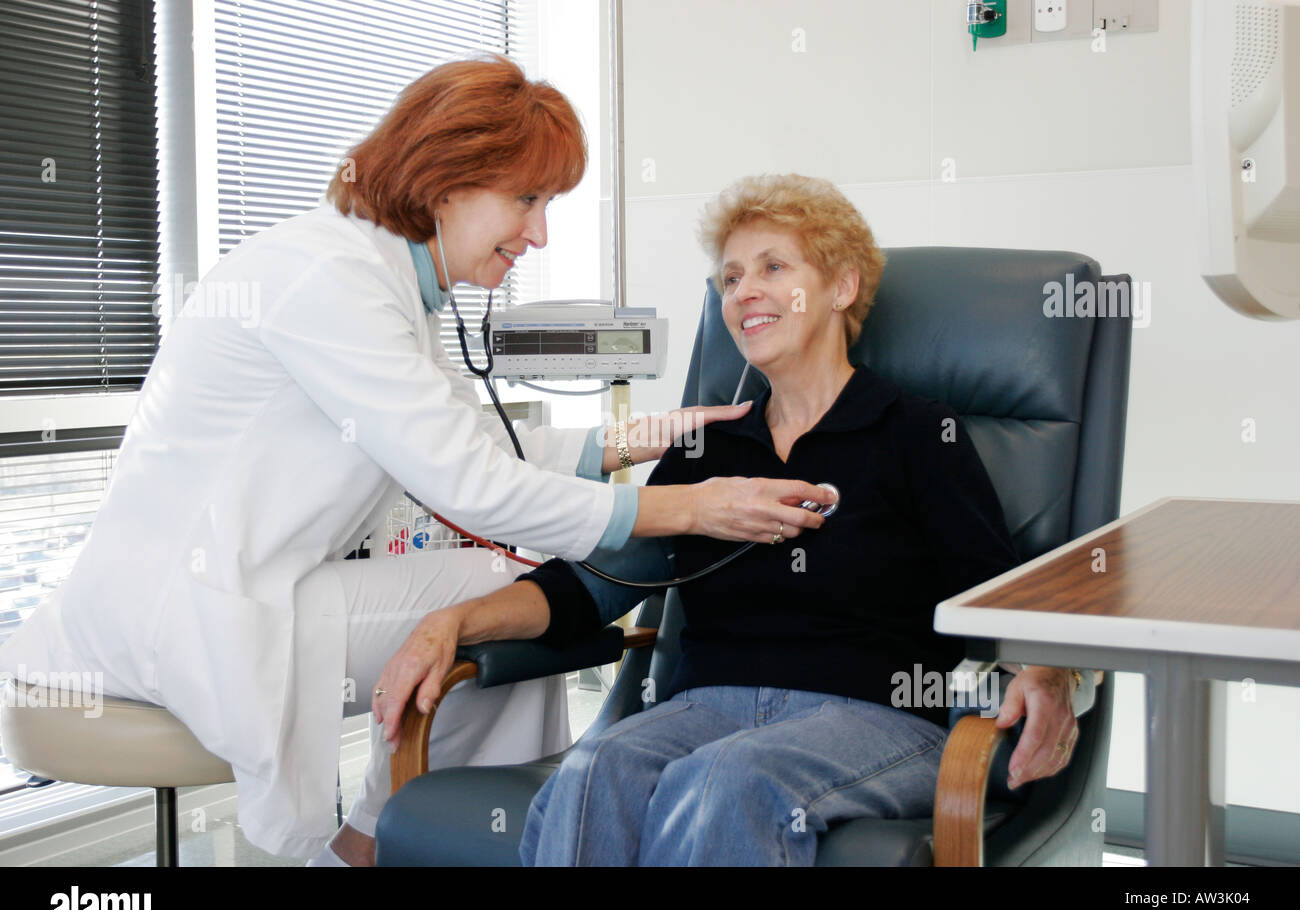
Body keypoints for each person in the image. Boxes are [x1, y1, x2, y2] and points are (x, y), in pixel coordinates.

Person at [0, 57, 835, 865]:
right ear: (445, 183)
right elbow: (468, 482)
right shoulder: (332, 280)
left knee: (492, 605)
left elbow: (471, 448)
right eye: (527, 200)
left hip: (248, 584)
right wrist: (692, 507)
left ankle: (389, 838)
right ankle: (385, 842)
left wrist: (640, 438)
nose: (539, 233)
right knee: (492, 596)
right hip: (184, 609)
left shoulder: (391, 288)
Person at [372, 173, 1101, 866]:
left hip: (876, 714)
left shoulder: (915, 432)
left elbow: (999, 595)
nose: (745, 291)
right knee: (597, 768)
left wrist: (1046, 673)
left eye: (773, 268)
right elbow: (597, 583)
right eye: (730, 277)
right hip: (705, 706)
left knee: (732, 779)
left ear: (842, 287)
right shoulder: (711, 443)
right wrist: (454, 625)